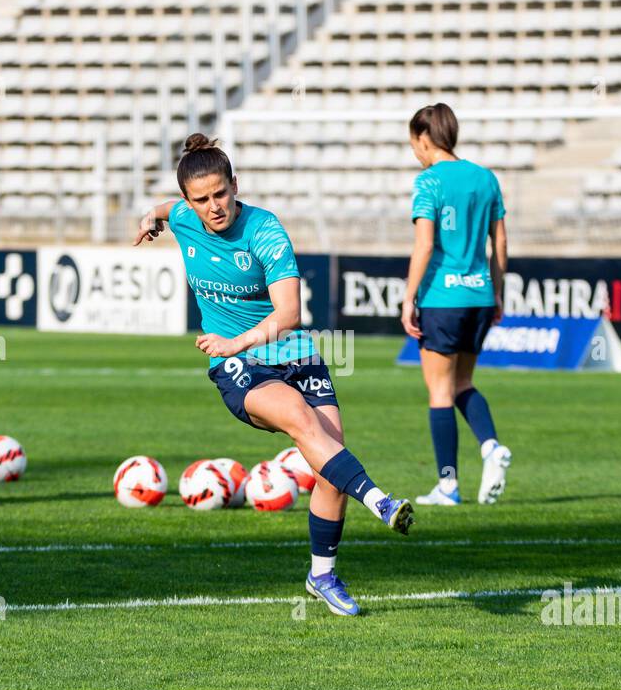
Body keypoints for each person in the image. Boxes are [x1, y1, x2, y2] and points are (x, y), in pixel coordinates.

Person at [135, 134, 414, 616]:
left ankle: (322, 575)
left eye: (220, 194)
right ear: (188, 202)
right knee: (300, 419)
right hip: (237, 365)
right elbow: (164, 209)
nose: (213, 207)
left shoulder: (265, 230)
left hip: (292, 352)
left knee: (330, 459)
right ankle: (381, 502)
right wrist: (149, 218)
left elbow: (288, 314)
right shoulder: (183, 216)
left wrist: (237, 339)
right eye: (201, 200)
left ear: (235, 186)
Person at [400, 102, 512, 506]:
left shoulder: (428, 182)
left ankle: (448, 484)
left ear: (424, 139)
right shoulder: (486, 179)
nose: (414, 150)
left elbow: (425, 244)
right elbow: (499, 242)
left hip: (443, 298)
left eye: (413, 142)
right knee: (463, 382)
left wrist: (409, 297)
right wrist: (497, 292)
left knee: (440, 390)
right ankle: (490, 447)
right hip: (479, 295)